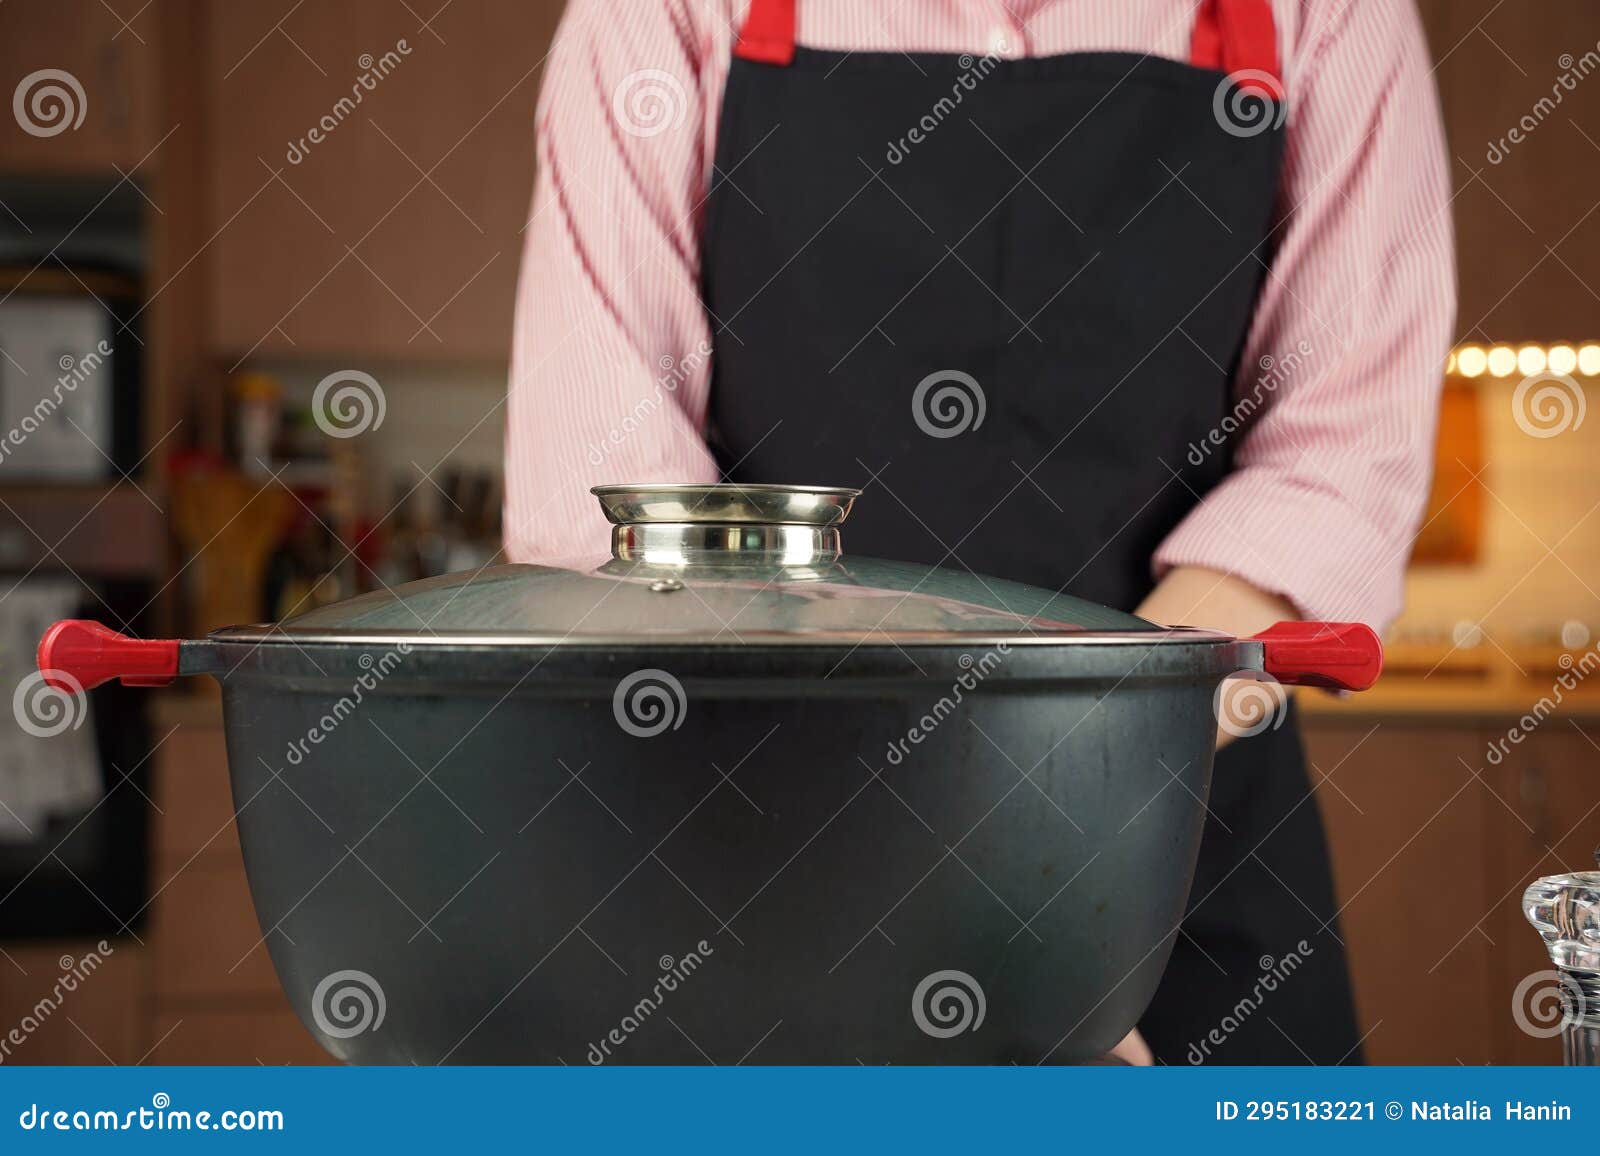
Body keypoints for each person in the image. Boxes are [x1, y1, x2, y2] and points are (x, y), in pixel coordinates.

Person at [503, 0, 1455, 1064]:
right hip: (760, 854)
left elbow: (1336, 463)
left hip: (1173, 841)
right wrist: (930, 918)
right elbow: (614, 516)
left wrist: (1041, 891)